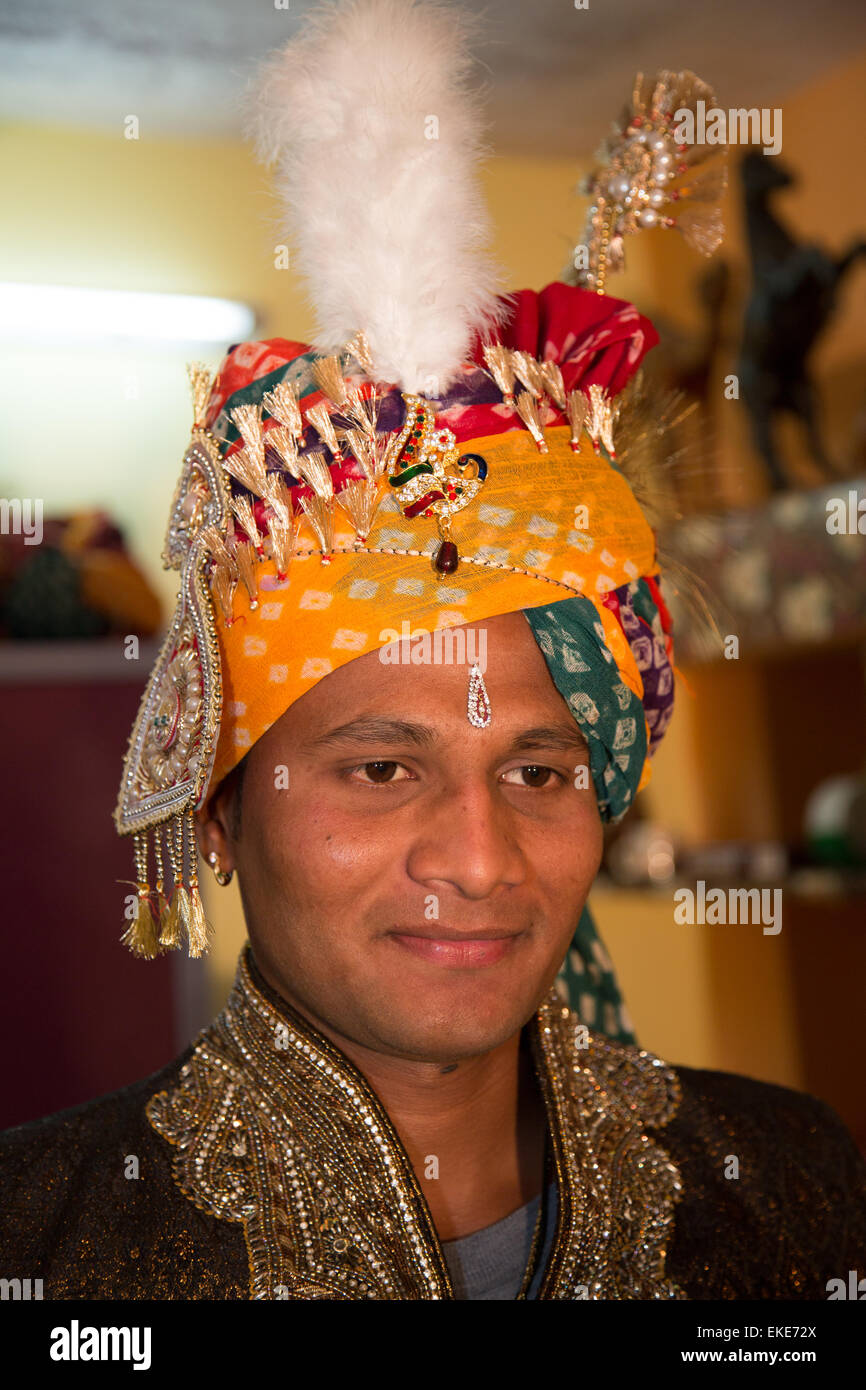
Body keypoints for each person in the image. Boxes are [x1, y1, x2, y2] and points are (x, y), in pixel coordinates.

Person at [1, 0, 863, 1301]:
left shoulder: (786, 1180)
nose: (478, 859)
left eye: (537, 771)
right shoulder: (45, 1241)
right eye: (380, 768)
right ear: (221, 808)